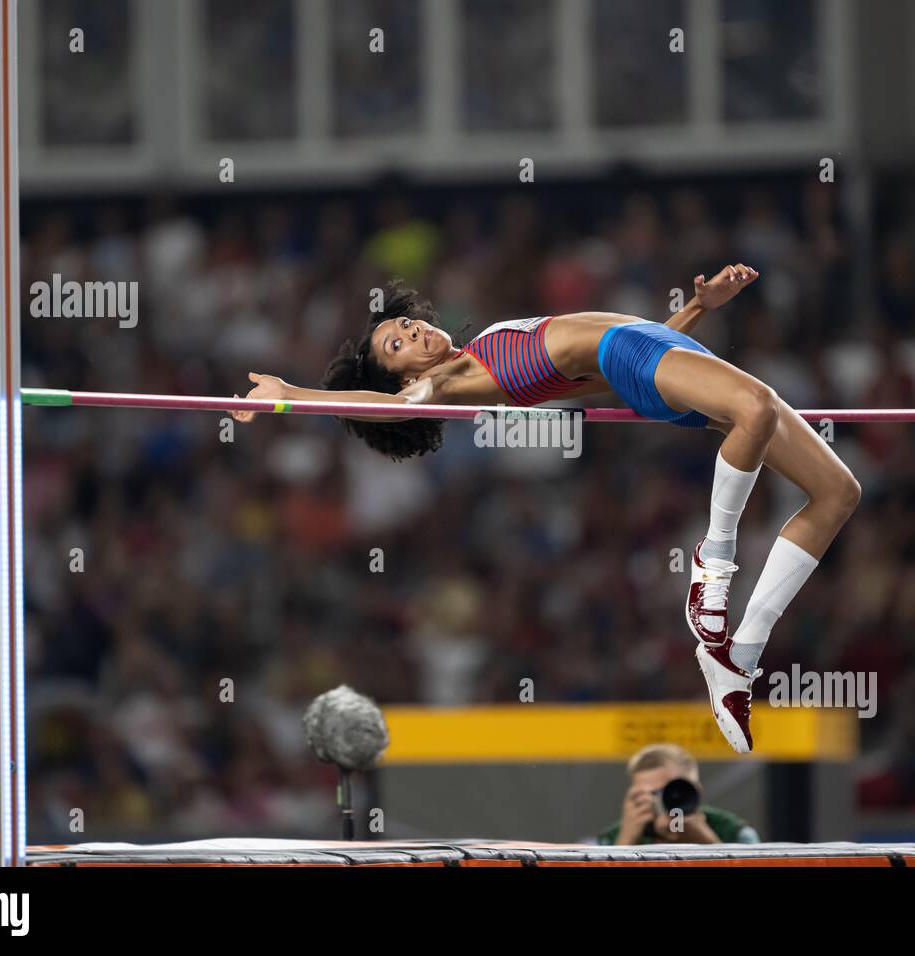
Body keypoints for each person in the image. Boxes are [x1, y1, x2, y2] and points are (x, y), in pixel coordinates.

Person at [235, 265, 861, 752]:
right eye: (398, 346)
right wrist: (290, 395)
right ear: (401, 379)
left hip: (643, 356)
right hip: (633, 355)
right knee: (755, 409)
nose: (413, 333)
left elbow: (626, 357)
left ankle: (739, 659)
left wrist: (700, 306)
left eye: (403, 326)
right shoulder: (442, 384)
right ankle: (712, 573)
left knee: (838, 493)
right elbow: (389, 408)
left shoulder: (472, 350)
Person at [597, 743, 759, 845]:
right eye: (652, 794)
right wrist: (625, 843)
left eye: (672, 791)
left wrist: (709, 845)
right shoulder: (613, 839)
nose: (663, 801)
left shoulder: (733, 832)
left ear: (695, 791)